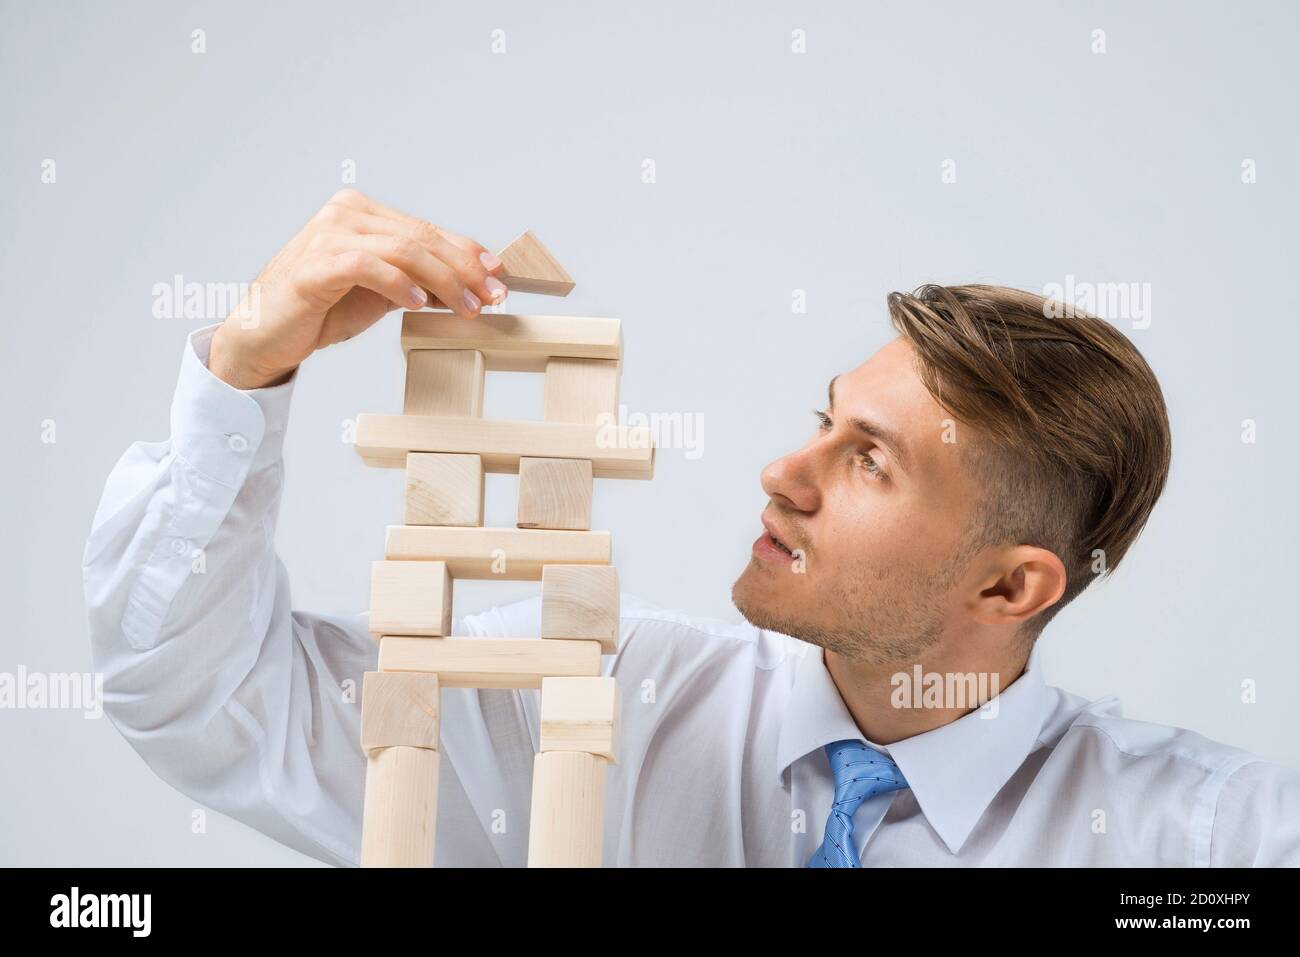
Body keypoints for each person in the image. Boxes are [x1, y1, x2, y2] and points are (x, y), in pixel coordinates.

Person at [83, 190, 1300, 867]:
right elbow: (200, 696)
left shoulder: (1199, 845)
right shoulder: (590, 703)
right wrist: (243, 371)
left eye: (865, 462)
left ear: (1010, 588)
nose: (782, 473)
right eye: (822, 423)